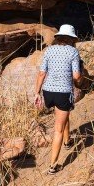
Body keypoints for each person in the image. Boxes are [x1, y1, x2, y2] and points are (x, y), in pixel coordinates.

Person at [34, 24, 84, 174]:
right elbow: (76, 76)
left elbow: (42, 73)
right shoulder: (73, 52)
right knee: (58, 130)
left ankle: (67, 142)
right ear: (71, 39)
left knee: (64, 113)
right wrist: (80, 78)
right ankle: (53, 166)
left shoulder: (49, 50)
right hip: (63, 92)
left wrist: (37, 93)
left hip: (48, 91)